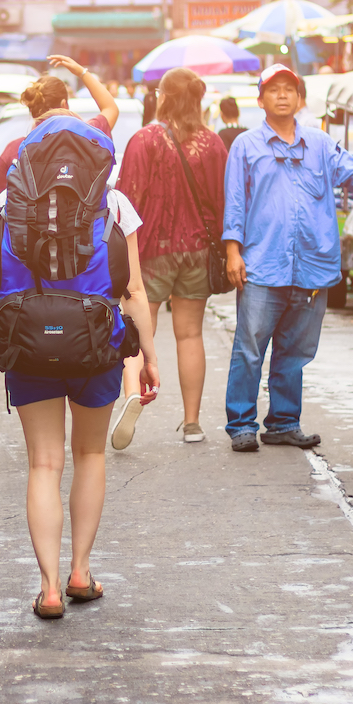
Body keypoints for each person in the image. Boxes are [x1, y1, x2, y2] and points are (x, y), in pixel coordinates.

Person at [0, 114, 160, 619]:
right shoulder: (113, 203)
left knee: (44, 464)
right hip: (96, 345)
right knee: (90, 455)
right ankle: (80, 571)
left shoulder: (6, 205)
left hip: (28, 344)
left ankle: (48, 588)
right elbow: (133, 290)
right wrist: (148, 358)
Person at [222, 63, 353, 452]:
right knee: (249, 347)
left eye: (290, 89)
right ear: (261, 100)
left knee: (296, 351)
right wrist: (232, 252)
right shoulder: (245, 146)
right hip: (261, 265)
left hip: (311, 265)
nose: (283, 95)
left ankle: (284, 422)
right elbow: (235, 202)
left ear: (300, 98)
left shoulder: (320, 144)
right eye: (274, 90)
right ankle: (241, 423)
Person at [116, 67, 227, 445]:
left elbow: (126, 198)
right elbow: (221, 201)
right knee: (190, 334)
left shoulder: (142, 140)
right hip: (196, 252)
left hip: (150, 251)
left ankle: (133, 393)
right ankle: (192, 422)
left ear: (162, 97)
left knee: (138, 331)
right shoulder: (212, 144)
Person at [0, 57, 118, 291]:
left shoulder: (16, 150)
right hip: (81, 260)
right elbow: (111, 108)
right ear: (64, 102)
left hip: (31, 266)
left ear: (32, 108)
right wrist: (81, 72)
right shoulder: (91, 140)